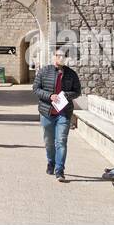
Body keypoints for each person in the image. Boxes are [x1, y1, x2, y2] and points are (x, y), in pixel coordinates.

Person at [33, 48, 80, 182]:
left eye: (63, 56)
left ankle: (60, 170)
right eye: (58, 55)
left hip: (64, 113)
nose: (61, 58)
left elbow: (77, 91)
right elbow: (35, 88)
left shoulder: (71, 74)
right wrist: (50, 96)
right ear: (53, 57)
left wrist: (66, 94)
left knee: (61, 141)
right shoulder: (44, 71)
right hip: (47, 112)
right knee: (49, 141)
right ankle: (51, 162)